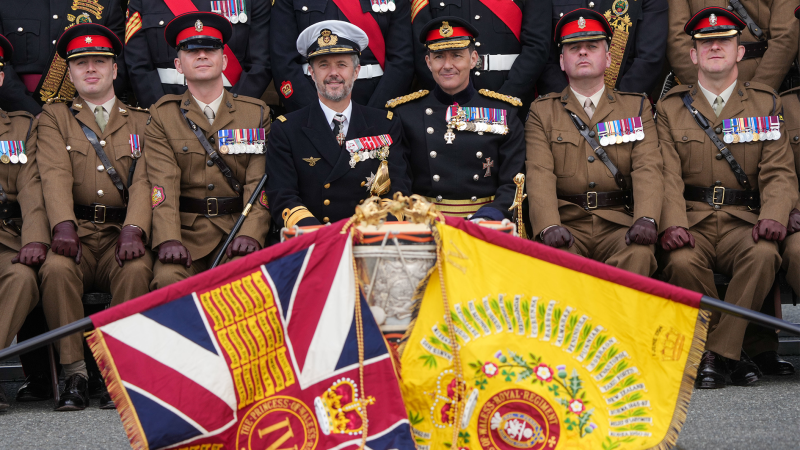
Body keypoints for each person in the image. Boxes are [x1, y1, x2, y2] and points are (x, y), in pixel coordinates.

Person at [657, 7, 797, 389]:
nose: (715, 46)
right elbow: (666, 175)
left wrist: (774, 214)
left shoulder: (766, 103)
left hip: (744, 220)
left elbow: (779, 171)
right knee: (681, 262)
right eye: (705, 42)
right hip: (693, 220)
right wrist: (672, 224)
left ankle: (715, 355)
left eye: (725, 41)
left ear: (739, 52)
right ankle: (732, 353)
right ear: (693, 55)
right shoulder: (669, 109)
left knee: (766, 253)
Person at [36, 23, 153, 410]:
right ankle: (75, 375)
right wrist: (62, 225)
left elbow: (145, 180)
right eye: (81, 63)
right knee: (56, 269)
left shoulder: (143, 119)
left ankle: (118, 373)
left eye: (99, 62)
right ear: (70, 73)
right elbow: (54, 173)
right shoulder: (53, 117)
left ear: (115, 69)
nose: (91, 69)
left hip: (123, 232)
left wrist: (135, 227)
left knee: (136, 270)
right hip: (77, 233)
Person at [526, 9, 662, 276]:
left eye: (592, 46)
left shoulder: (636, 107)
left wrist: (646, 217)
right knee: (553, 259)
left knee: (640, 254)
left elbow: (649, 168)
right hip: (567, 225)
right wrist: (548, 226)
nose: (583, 53)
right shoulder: (542, 112)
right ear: (562, 61)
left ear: (608, 57)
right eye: (574, 48)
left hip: (619, 223)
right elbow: (539, 174)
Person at [147, 12, 270, 289]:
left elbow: (259, 183)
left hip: (236, 230)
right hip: (186, 237)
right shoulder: (163, 115)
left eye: (211, 48)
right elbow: (162, 183)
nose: (202, 55)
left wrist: (251, 233)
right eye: (192, 50)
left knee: (244, 281)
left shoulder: (257, 114)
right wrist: (168, 238)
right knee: (167, 281)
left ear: (224, 60)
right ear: (179, 65)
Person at [266, 21, 412, 228]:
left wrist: (370, 232)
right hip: (314, 240)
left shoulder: (385, 125)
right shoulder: (286, 129)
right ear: (311, 72)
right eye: (323, 65)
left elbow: (397, 190)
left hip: (371, 238)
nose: (333, 73)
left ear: (356, 71)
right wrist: (321, 237)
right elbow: (282, 195)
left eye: (342, 64)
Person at [389, 17, 525, 221]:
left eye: (457, 56)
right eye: (438, 57)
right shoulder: (406, 113)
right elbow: (399, 182)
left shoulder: (503, 112)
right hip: (426, 225)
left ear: (473, 59)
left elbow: (514, 181)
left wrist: (489, 217)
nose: (447, 65)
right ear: (428, 62)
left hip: (486, 225)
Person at [0, 35, 51, 412]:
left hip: (6, 238)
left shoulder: (22, 127)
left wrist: (33, 239)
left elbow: (33, 190)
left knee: (21, 277)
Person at [411, 0, 551, 116]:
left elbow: (536, 46)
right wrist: (449, 98)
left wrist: (506, 99)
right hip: (449, 106)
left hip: (511, 98)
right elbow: (422, 49)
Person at [124, 0, 271, 109]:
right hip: (163, 102)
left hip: (232, 105)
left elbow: (260, 64)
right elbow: (138, 64)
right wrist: (163, 113)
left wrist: (234, 109)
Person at [270, 0, 413, 111]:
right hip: (311, 95)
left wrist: (376, 112)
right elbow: (283, 61)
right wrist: (313, 113)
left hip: (375, 96)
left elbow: (401, 60)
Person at [0, 0, 128, 115]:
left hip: (84, 117)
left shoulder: (104, 3)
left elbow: (117, 66)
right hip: (17, 117)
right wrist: (31, 112)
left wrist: (81, 115)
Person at [538, 0, 668, 97]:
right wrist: (567, 102)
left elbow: (650, 59)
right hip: (562, 102)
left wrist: (618, 102)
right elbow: (544, 56)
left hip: (626, 102)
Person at [667, 0, 799, 91]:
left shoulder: (761, 91)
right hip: (699, 78)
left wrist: (760, 91)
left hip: (761, 75)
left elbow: (785, 37)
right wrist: (703, 91)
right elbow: (677, 38)